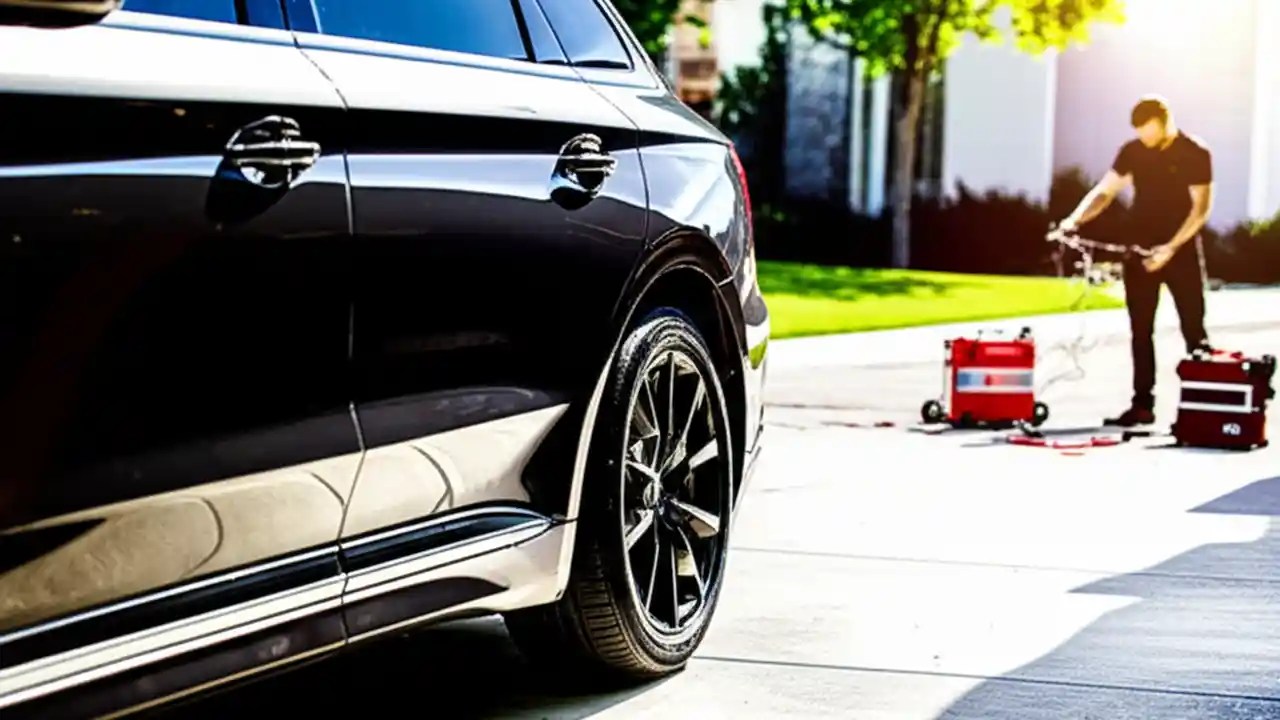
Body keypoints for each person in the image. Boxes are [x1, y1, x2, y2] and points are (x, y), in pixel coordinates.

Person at [1057, 95, 1214, 427]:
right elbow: (1105, 191)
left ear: (1165, 121)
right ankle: (1142, 405)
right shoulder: (1132, 151)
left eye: (1149, 129)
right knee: (1140, 330)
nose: (1145, 135)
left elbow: (1200, 209)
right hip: (1139, 249)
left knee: (1194, 330)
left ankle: (1205, 406)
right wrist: (1074, 220)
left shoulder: (1195, 152)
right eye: (1140, 130)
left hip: (1179, 249)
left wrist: (1169, 249)